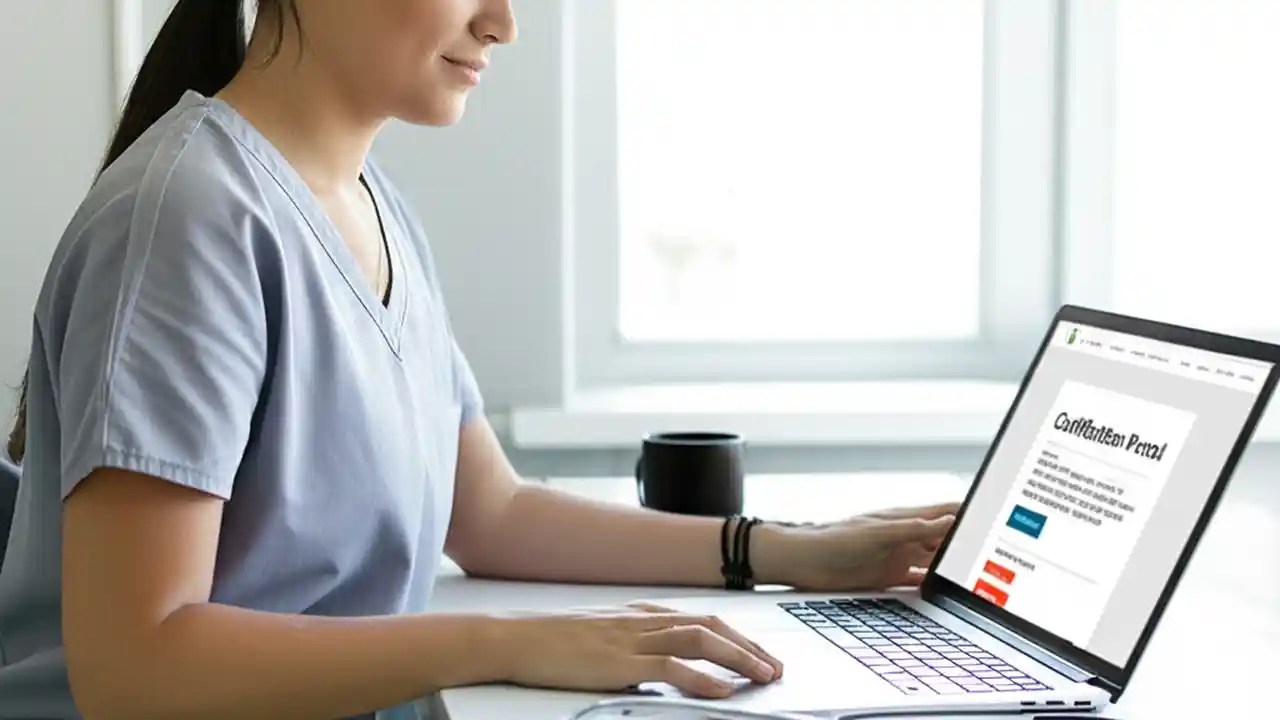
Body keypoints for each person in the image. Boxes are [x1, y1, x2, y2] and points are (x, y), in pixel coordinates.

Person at [0, 1, 957, 718]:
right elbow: (137, 667)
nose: (503, 23)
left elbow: (489, 513)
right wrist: (505, 645)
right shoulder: (189, 219)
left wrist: (788, 550)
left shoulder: (373, 205)